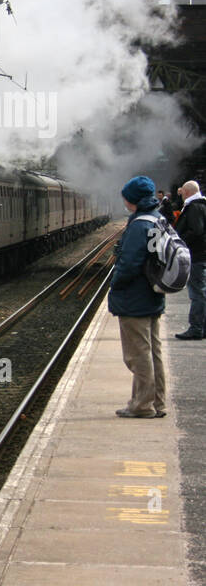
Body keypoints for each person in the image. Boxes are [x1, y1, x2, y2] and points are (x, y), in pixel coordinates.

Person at [109, 176, 167, 418]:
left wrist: (115, 284)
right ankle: (157, 402)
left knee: (138, 354)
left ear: (132, 199)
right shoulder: (158, 219)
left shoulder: (138, 226)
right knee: (153, 352)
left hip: (135, 297)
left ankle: (142, 405)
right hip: (153, 293)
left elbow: (129, 264)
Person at [174, 179, 206, 340]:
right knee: (201, 292)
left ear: (186, 193)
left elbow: (196, 230)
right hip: (201, 254)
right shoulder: (201, 205)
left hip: (196, 256)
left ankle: (196, 328)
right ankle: (202, 327)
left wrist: (179, 242)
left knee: (197, 293)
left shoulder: (193, 207)